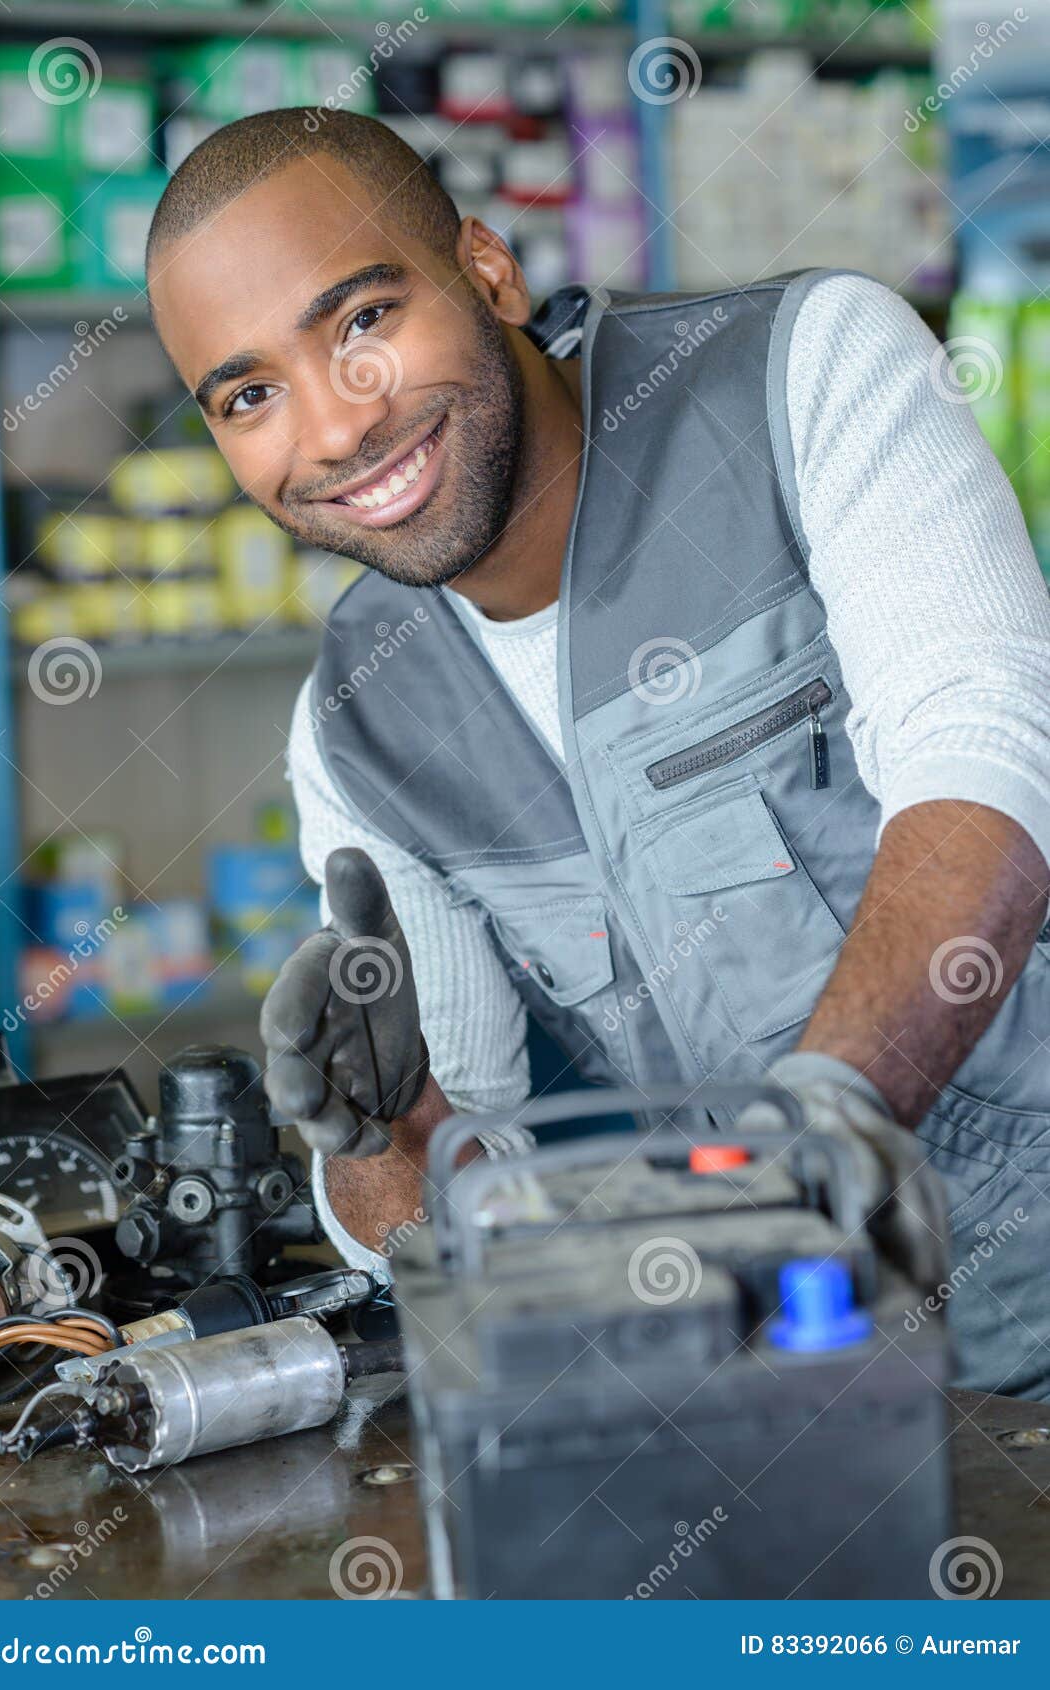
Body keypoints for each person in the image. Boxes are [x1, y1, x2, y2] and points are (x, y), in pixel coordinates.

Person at [146, 108, 1050, 1397]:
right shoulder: (361, 729)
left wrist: (830, 1115)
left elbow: (987, 751)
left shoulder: (802, 376)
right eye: (249, 396)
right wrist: (383, 1138)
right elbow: (459, 1216)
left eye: (362, 324)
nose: (335, 430)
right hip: (787, 1399)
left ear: (489, 271)